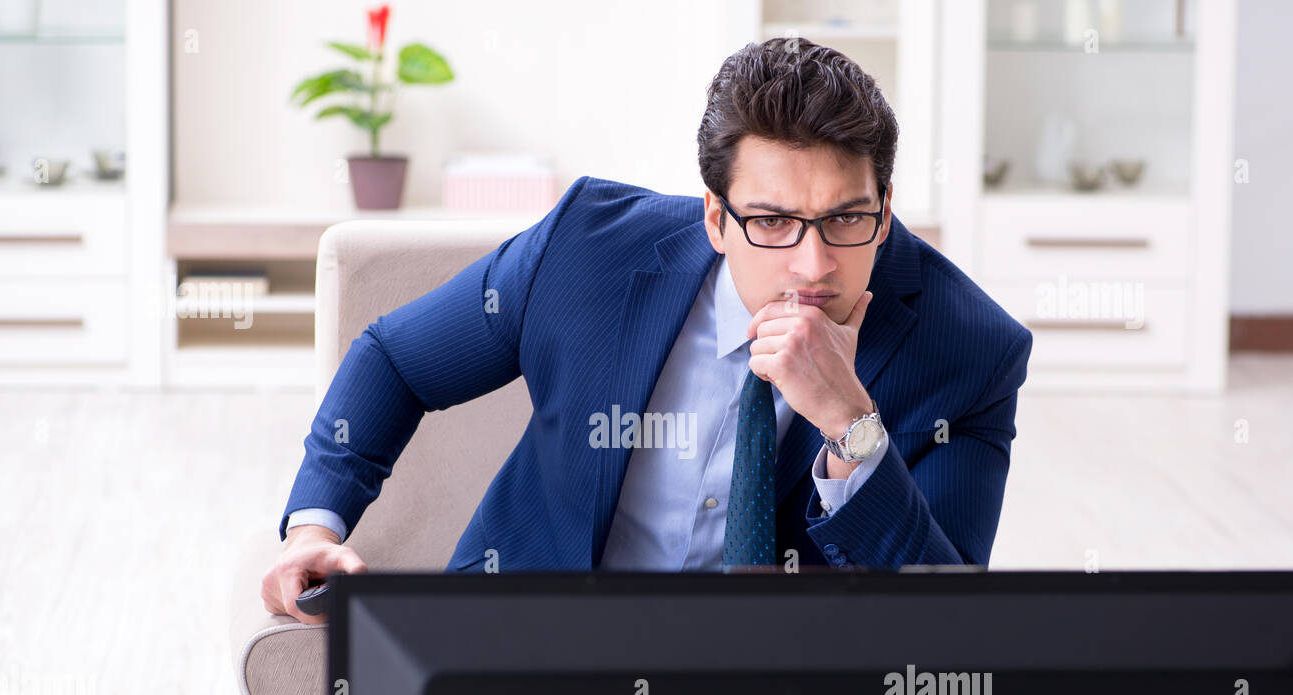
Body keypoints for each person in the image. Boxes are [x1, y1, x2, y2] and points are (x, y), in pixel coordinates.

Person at [262, 37, 1032, 623]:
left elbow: (949, 620)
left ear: (886, 207)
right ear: (714, 215)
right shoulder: (587, 250)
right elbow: (396, 360)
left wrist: (851, 424)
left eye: (846, 217)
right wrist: (311, 528)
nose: (813, 263)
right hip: (533, 653)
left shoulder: (968, 351)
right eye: (769, 221)